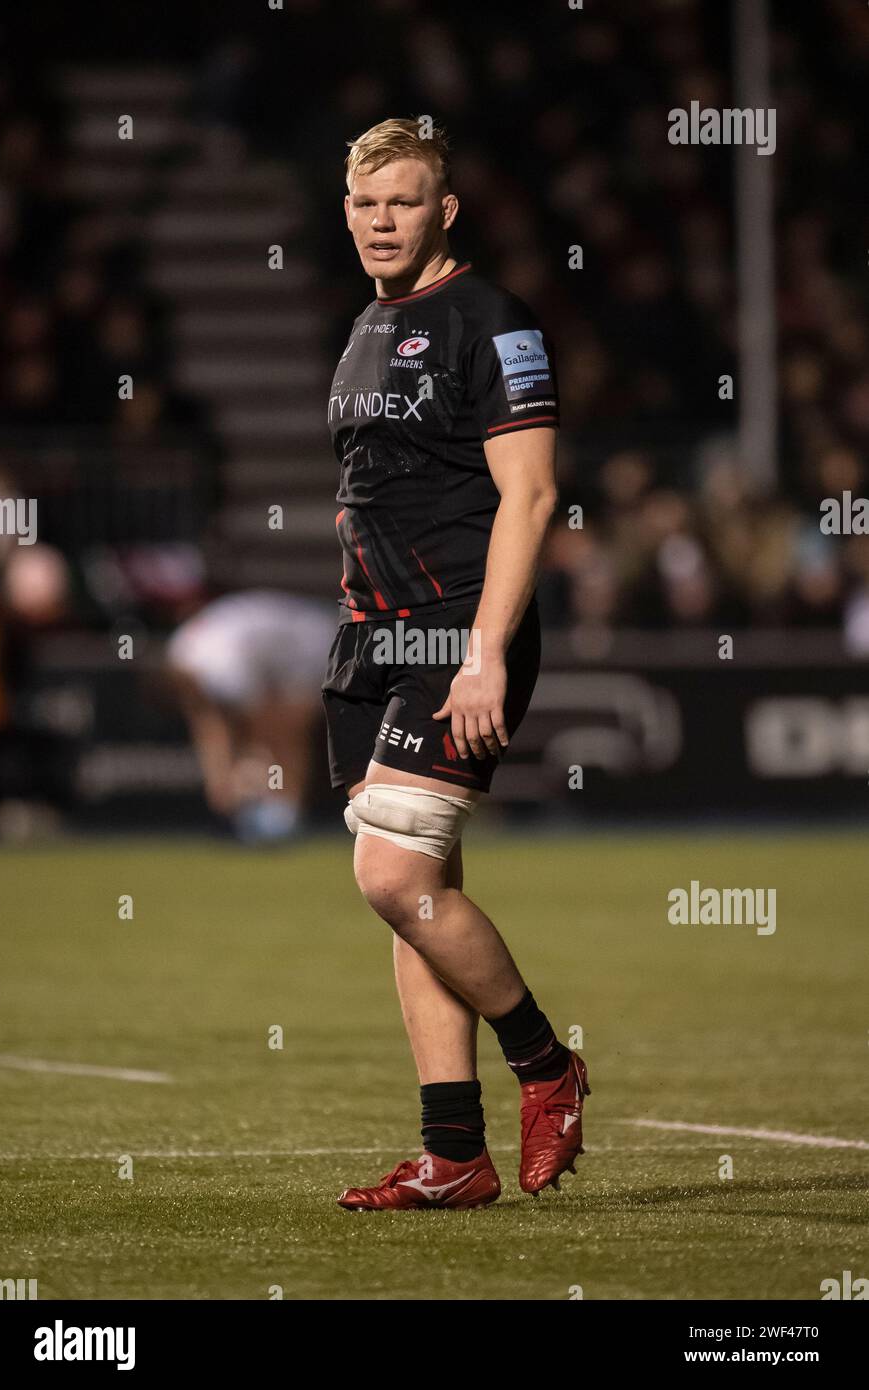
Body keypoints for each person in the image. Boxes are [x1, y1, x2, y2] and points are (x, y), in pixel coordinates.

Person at [321, 119, 589, 1210]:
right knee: (414, 891)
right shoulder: (366, 327)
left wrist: (484, 651)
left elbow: (529, 494)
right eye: (364, 204)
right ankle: (453, 1152)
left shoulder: (493, 320)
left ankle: (546, 1065)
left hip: (455, 630)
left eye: (403, 203)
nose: (382, 222)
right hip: (369, 635)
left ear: (445, 211)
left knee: (390, 872)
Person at [166, 590, 336, 842]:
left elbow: (259, 723)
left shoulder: (217, 663)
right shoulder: (186, 653)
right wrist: (223, 783)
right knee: (272, 737)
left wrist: (243, 771)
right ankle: (278, 809)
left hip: (316, 640)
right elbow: (210, 724)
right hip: (284, 644)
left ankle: (285, 813)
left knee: (286, 732)